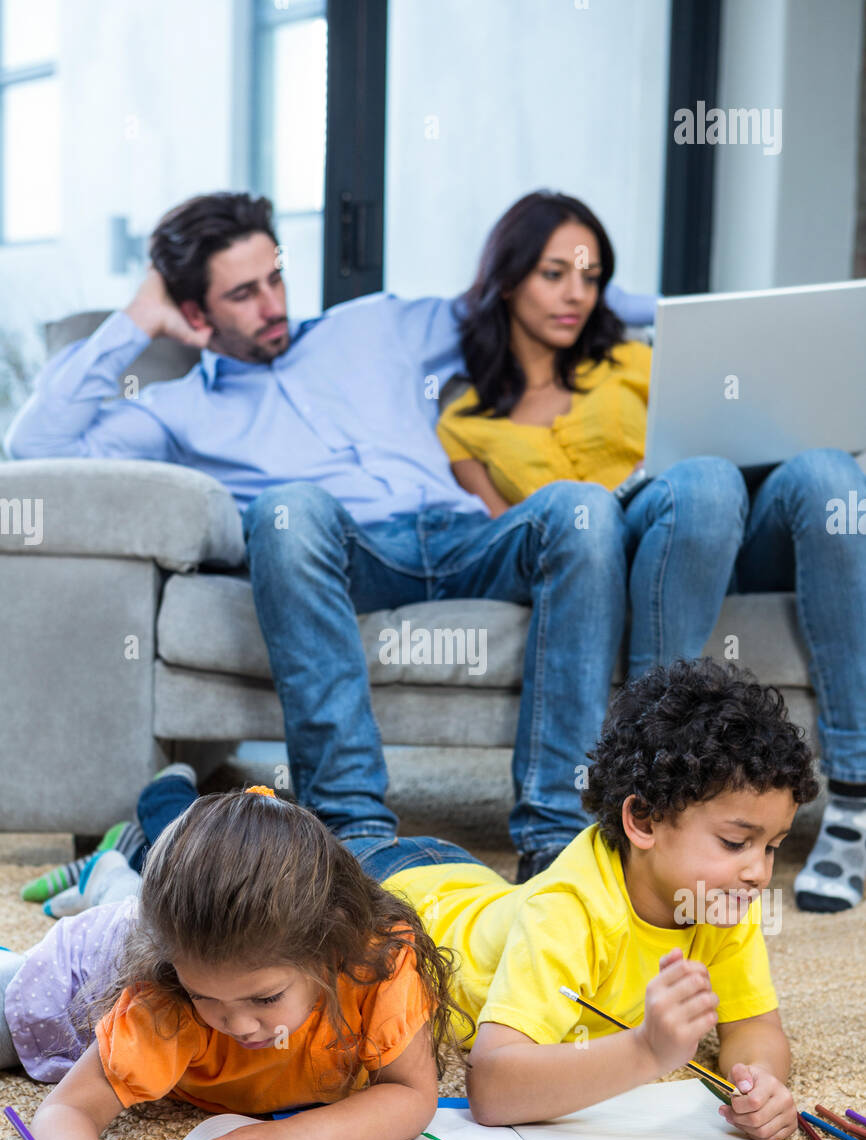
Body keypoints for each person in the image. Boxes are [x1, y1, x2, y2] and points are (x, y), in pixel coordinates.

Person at [4, 192, 652, 883]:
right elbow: (35, 446)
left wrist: (680, 318)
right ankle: (357, 834)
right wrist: (137, 318)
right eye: (244, 294)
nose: (273, 304)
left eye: (275, 278)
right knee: (288, 509)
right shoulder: (177, 411)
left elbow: (526, 292)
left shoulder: (376, 325)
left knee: (583, 509)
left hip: (469, 536)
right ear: (195, 313)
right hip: (348, 556)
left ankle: (557, 840)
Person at [438, 190, 866, 912]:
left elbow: (736, 413)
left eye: (592, 274)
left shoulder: (633, 360)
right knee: (699, 484)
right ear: (507, 279)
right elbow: (516, 537)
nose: (577, 293)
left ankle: (854, 799)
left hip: (727, 523)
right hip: (628, 546)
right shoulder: (466, 417)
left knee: (823, 473)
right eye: (554, 273)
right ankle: (656, 771)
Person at [349, 660, 818, 1136]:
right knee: (282, 882)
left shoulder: (719, 902)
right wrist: (646, 1052)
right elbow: (491, 1088)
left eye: (773, 847)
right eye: (736, 843)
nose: (759, 873)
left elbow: (753, 1026)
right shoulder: (569, 911)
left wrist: (760, 1081)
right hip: (386, 890)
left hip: (465, 879)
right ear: (645, 821)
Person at [9, 788, 468, 1140]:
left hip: (162, 931)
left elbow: (412, 1093)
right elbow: (67, 1109)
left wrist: (298, 1138)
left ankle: (110, 872)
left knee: (131, 902)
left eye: (265, 998)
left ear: (332, 948)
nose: (239, 1024)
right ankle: (108, 878)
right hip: (86, 968)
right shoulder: (167, 994)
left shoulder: (375, 964)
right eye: (204, 996)